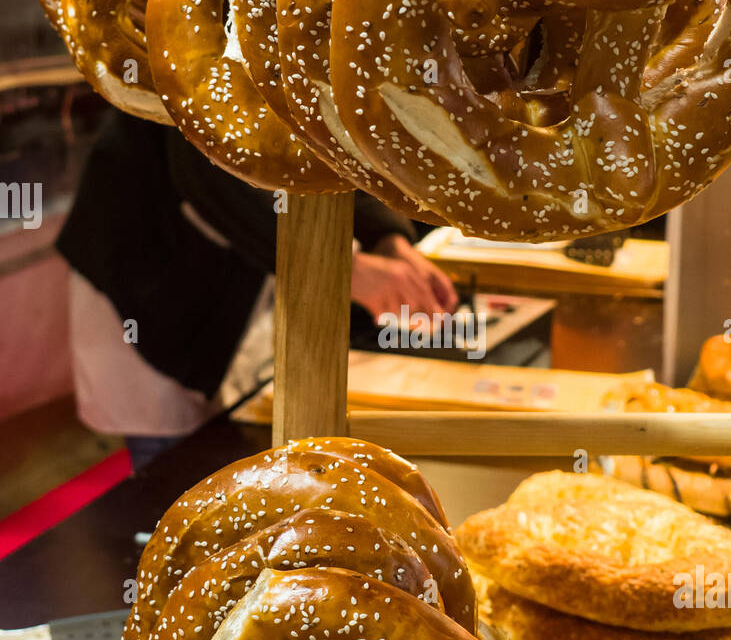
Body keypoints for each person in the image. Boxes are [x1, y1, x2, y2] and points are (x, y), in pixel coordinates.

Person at [57, 108, 457, 468]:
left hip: (216, 280)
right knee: (172, 459)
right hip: (144, 275)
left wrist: (386, 239)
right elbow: (215, 173)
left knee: (213, 439)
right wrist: (348, 269)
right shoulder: (212, 43)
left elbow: (326, 147)